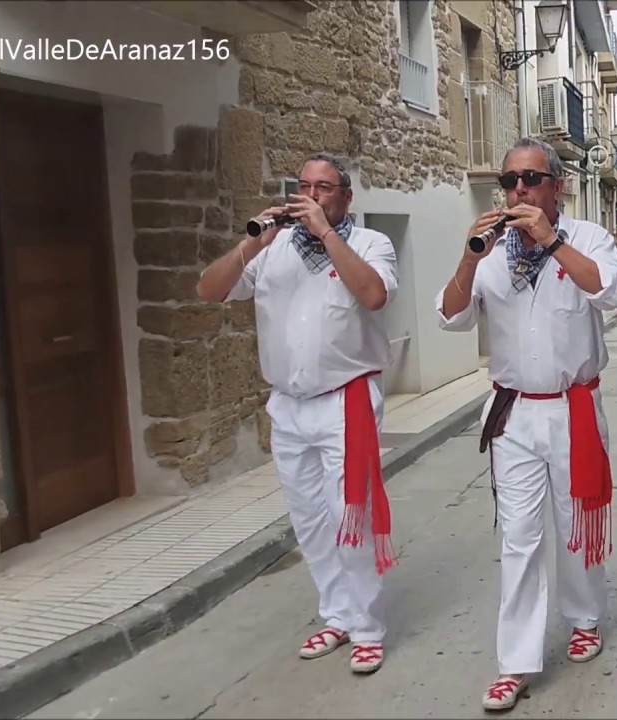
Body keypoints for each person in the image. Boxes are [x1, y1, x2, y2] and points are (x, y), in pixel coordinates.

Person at [435, 137, 617, 712]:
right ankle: (515, 662)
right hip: (514, 413)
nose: (518, 190)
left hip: (574, 407)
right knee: (519, 538)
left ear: (557, 185)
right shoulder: (491, 251)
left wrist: (552, 240)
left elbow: (613, 291)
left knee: (577, 524)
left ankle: (584, 617)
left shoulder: (589, 237)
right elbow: (449, 316)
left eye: (531, 180)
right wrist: (471, 256)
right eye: (510, 181)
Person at [195, 153, 399, 675]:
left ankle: (368, 628)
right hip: (287, 405)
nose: (311, 194)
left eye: (324, 188)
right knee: (309, 520)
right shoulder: (273, 249)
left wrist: (328, 236)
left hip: (345, 402)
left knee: (348, 516)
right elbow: (208, 290)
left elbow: (374, 296)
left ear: (345, 198)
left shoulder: (370, 243)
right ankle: (337, 614)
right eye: (303, 185)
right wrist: (251, 244)